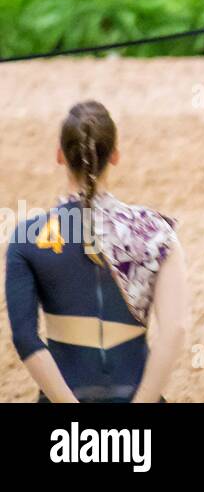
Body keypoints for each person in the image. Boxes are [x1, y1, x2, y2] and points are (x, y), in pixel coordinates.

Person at [5, 101, 189, 403]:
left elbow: (25, 338)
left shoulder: (27, 237)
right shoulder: (156, 232)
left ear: (60, 155)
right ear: (114, 155)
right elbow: (175, 330)